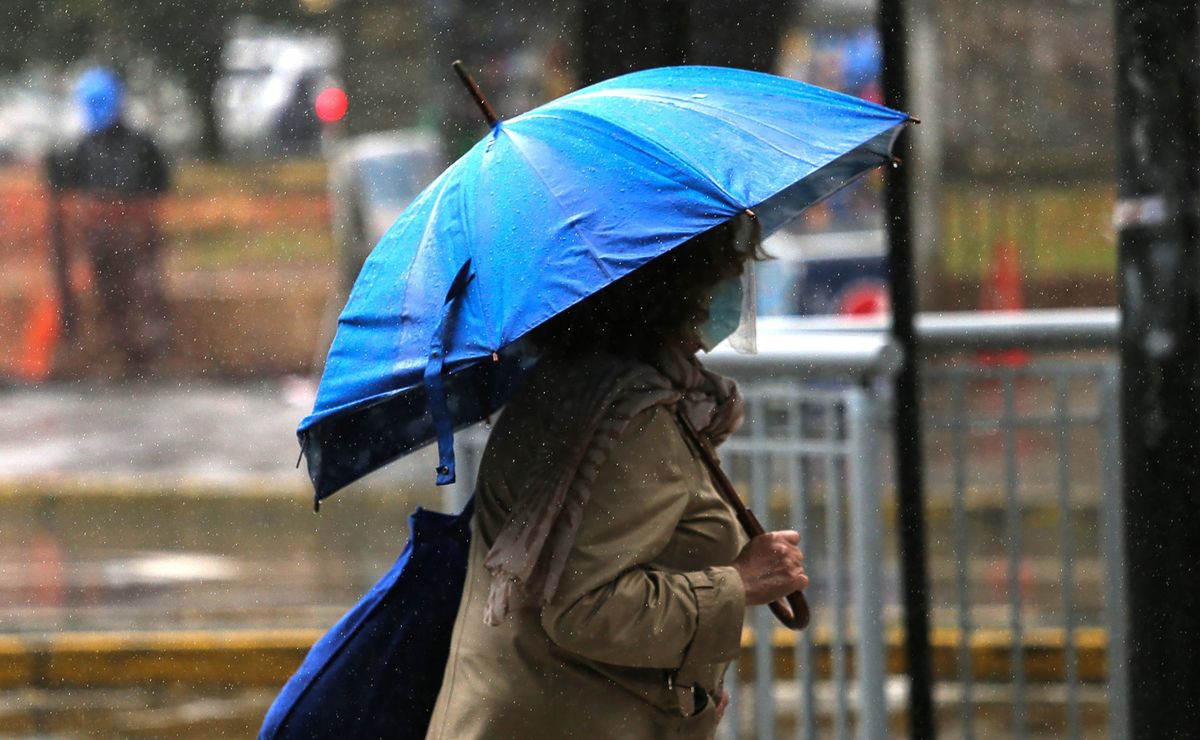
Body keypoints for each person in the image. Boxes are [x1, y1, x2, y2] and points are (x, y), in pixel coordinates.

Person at [426, 212, 810, 739]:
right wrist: (740, 582)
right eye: (725, 271)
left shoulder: (577, 389)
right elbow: (585, 608)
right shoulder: (627, 421)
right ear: (680, 290)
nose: (733, 291)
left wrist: (686, 690)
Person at [46, 67, 171, 373]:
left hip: (136, 237)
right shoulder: (85, 147)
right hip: (100, 238)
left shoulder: (140, 144)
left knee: (141, 293)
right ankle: (117, 352)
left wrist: (133, 211)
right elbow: (68, 185)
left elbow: (160, 185)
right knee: (109, 296)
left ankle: (145, 356)